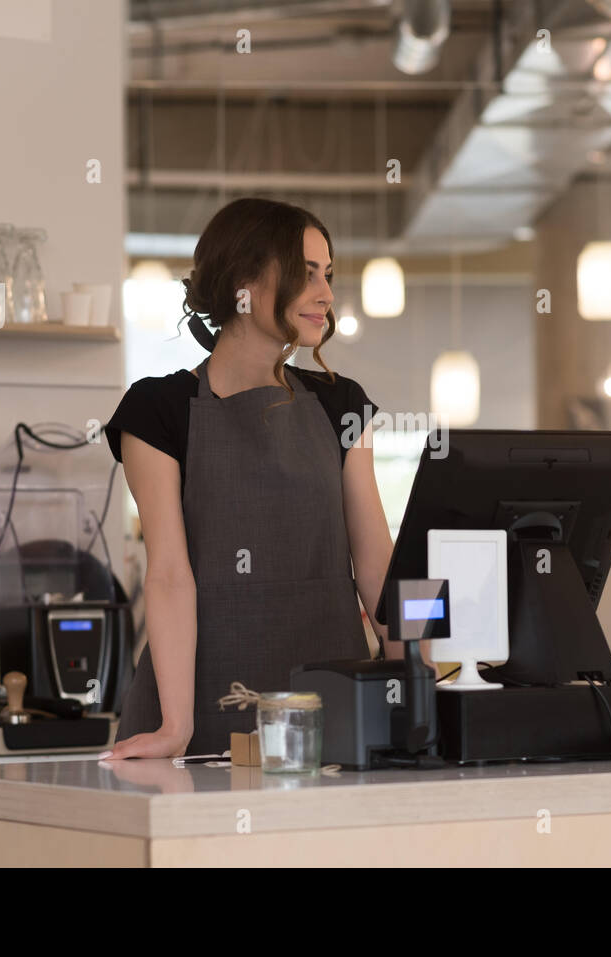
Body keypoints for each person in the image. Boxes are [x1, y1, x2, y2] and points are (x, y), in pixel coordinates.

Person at [100, 197, 409, 759]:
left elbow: (375, 562)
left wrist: (418, 681)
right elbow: (169, 574)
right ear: (245, 280)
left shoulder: (342, 404)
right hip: (203, 705)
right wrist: (176, 726)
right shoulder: (157, 410)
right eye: (306, 273)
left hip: (331, 701)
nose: (326, 294)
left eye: (329, 275)